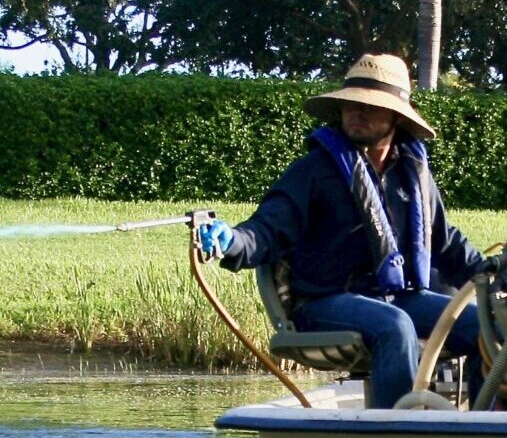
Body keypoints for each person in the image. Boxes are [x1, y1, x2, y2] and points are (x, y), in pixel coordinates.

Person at [195, 53, 485, 408]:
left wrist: (492, 273)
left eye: (370, 107)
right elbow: (267, 228)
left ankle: (489, 423)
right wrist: (230, 241)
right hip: (323, 302)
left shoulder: (413, 173)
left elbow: (445, 241)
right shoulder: (313, 171)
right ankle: (397, 429)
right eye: (350, 105)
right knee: (394, 326)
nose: (357, 113)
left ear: (396, 117)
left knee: (483, 325)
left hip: (398, 297)